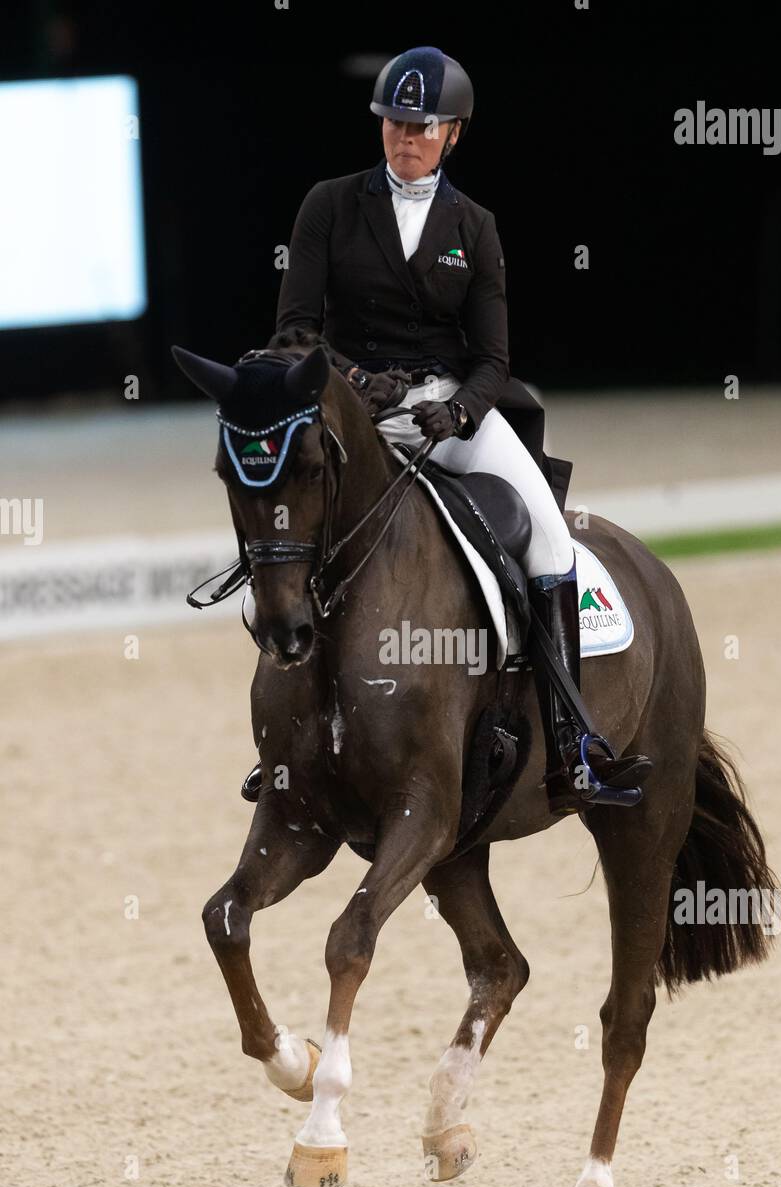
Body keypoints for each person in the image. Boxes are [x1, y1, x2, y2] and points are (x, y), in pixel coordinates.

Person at [242, 45, 650, 815]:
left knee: (553, 543)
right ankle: (288, 745)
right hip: (352, 413)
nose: (404, 136)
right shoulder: (328, 206)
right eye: (394, 121)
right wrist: (357, 383)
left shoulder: (477, 226)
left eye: (421, 126)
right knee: (287, 529)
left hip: (446, 412)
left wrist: (457, 409)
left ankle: (573, 746)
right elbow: (294, 332)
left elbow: (494, 360)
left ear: (452, 133)